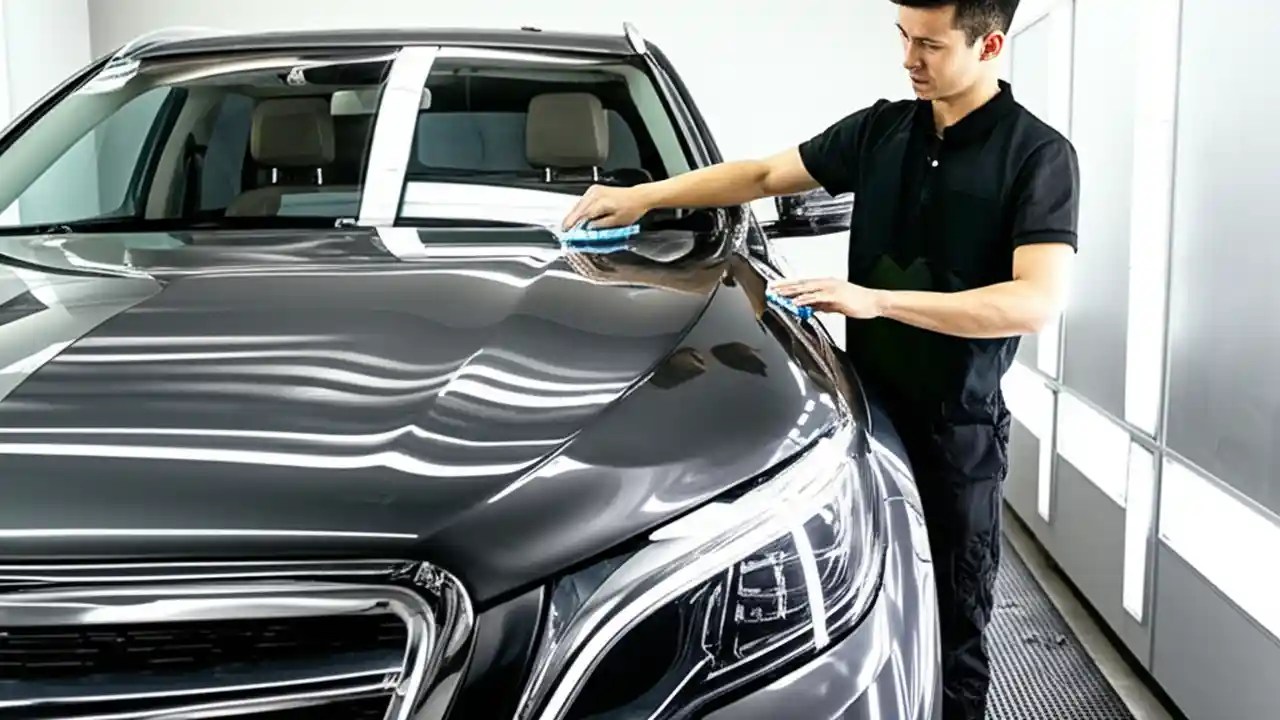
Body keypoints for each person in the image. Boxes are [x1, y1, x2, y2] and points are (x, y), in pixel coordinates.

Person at [561, 0, 1080, 715]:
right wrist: (641, 197)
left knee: (953, 627)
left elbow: (1035, 300)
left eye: (929, 44)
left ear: (990, 44)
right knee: (862, 617)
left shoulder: (1037, 153)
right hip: (861, 419)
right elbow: (760, 176)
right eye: (902, 38)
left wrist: (876, 301)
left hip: (954, 431)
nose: (908, 60)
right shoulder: (881, 130)